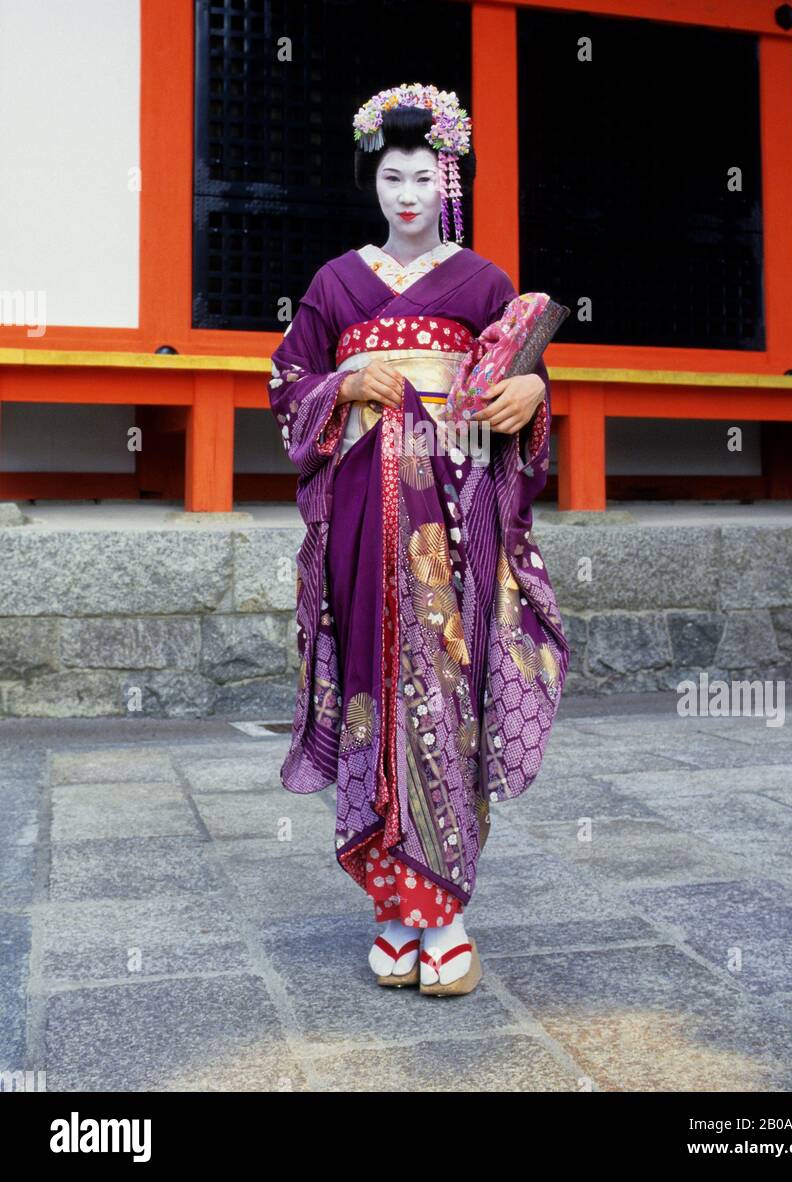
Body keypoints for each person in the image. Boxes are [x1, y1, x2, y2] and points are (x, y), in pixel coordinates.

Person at [267, 83, 569, 996]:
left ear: (448, 184)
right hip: (361, 514)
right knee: (374, 688)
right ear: (375, 181)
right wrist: (344, 388)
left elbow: (520, 385)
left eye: (424, 178)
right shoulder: (335, 283)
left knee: (447, 693)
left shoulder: (482, 283)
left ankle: (447, 910)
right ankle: (392, 906)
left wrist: (535, 398)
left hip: (457, 512)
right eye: (391, 177)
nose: (407, 194)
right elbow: (288, 385)